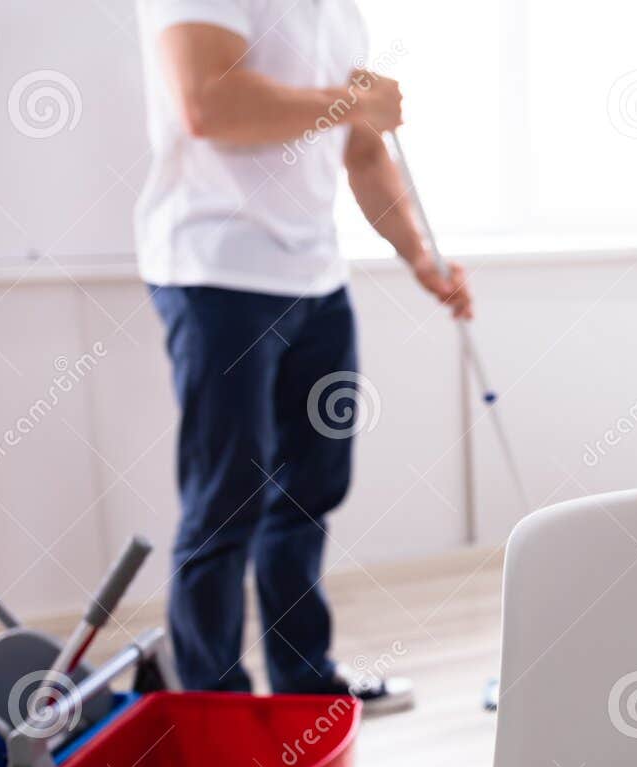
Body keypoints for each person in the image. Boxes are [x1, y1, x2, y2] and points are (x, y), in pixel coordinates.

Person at [135, 0, 472, 711]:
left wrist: (421, 258)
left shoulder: (338, 13)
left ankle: (304, 687)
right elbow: (211, 105)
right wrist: (352, 99)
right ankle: (213, 708)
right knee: (227, 497)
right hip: (216, 271)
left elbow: (362, 151)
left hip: (316, 280)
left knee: (309, 489)